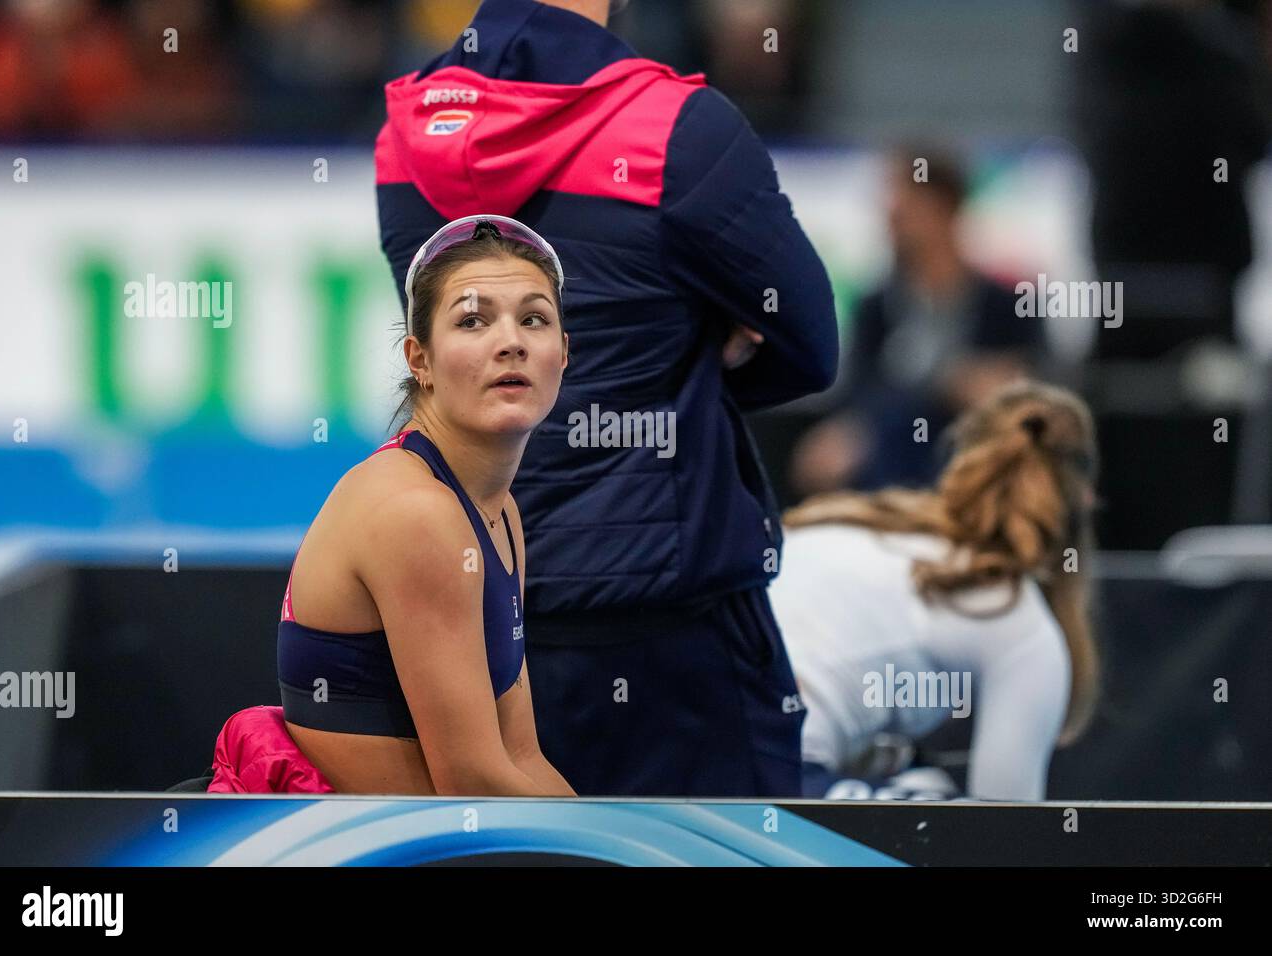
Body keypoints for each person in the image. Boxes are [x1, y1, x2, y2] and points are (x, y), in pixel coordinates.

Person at [375, 0, 839, 797]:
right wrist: (699, 357)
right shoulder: (681, 128)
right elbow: (810, 348)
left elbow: (461, 378)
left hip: (482, 622)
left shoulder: (405, 135)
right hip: (677, 645)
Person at [211, 215, 576, 796]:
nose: (511, 341)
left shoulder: (499, 513)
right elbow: (473, 784)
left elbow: (521, 755)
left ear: (562, 353)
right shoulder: (416, 511)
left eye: (534, 318)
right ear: (420, 360)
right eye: (473, 320)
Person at [769, 381, 1101, 801]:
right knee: (938, 799)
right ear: (1086, 498)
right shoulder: (1020, 622)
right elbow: (1010, 832)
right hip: (760, 774)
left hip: (676, 746)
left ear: (961, 464)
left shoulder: (851, 518)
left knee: (900, 764)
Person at [790, 147, 1044, 497]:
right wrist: (948, 384)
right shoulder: (877, 306)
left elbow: (1037, 384)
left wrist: (1000, 391)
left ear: (943, 210)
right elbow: (858, 395)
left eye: (905, 206)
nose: (890, 218)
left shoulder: (1007, 305)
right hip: (893, 465)